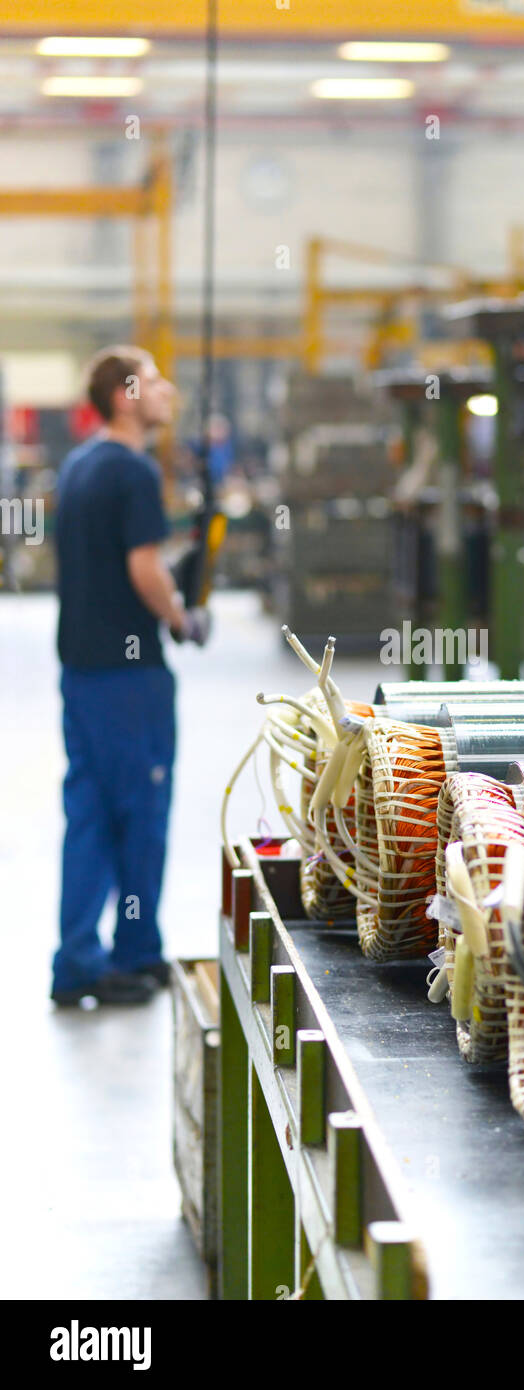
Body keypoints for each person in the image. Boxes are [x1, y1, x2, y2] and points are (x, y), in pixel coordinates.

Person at [51, 346, 209, 1006]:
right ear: (124, 394)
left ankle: (78, 961)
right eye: (153, 379)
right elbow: (145, 570)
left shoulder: (80, 464)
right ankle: (136, 951)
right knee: (140, 814)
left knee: (88, 814)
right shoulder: (135, 473)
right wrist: (182, 618)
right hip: (130, 676)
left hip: (82, 671)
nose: (167, 389)